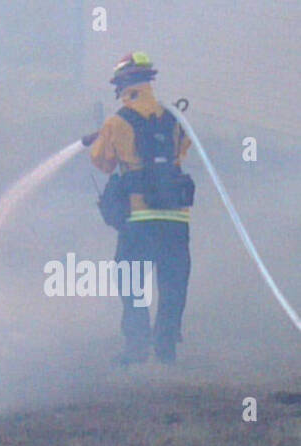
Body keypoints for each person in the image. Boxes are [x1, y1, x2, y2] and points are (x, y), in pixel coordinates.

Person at [89, 52, 195, 365]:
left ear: (122, 86)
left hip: (139, 220)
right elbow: (183, 150)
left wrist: (107, 138)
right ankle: (167, 349)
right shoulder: (175, 118)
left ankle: (136, 350)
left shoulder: (116, 121)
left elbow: (103, 162)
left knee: (133, 285)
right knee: (173, 284)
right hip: (176, 219)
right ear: (149, 82)